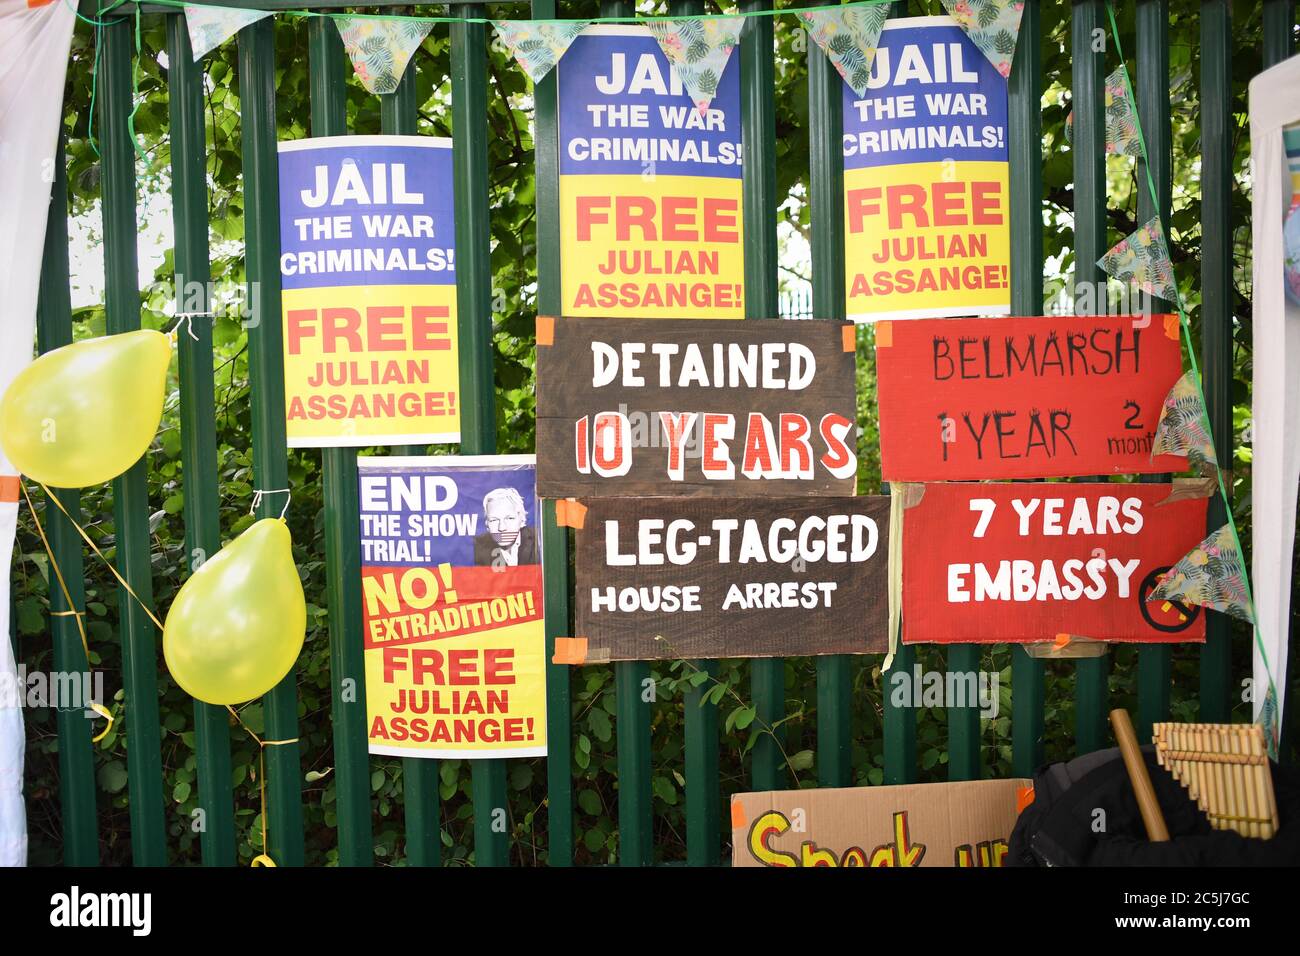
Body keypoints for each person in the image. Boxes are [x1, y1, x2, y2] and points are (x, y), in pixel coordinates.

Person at [473, 486, 538, 566]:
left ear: (521, 519)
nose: (502, 528)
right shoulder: (476, 548)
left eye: (509, 518)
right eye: (494, 520)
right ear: (487, 524)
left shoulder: (539, 539)